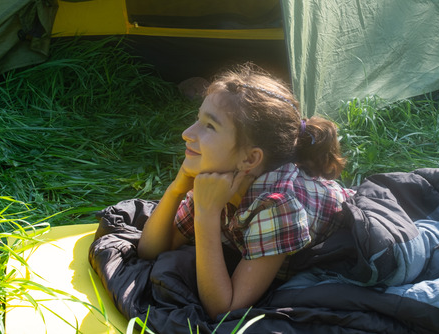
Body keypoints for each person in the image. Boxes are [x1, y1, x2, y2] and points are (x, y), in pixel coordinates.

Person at [137, 63, 354, 320]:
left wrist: (206, 215)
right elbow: (150, 251)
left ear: (250, 159)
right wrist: (177, 188)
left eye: (209, 126)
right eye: (198, 119)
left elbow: (225, 308)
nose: (187, 134)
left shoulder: (278, 204)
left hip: (348, 242)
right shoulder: (220, 178)